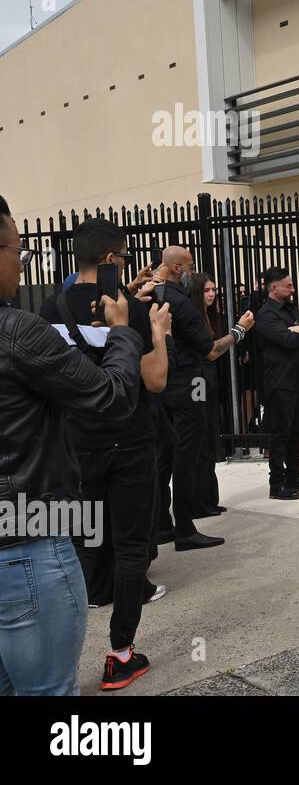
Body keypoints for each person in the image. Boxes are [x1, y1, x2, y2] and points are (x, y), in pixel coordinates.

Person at [0, 195, 144, 695]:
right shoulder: (19, 331)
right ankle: (122, 648)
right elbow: (118, 394)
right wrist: (124, 334)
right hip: (26, 541)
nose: (21, 265)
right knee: (47, 690)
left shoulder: (43, 315)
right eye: (18, 251)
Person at [37, 218, 171, 692]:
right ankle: (120, 654)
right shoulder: (131, 309)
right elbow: (155, 380)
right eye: (126, 256)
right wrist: (156, 331)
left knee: (77, 547)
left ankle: (62, 658)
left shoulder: (48, 308)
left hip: (76, 444)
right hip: (131, 439)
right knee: (132, 548)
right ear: (113, 259)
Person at [152, 246, 225, 552]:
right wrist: (240, 331)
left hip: (162, 382)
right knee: (187, 454)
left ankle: (160, 525)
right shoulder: (181, 302)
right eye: (191, 266)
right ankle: (184, 527)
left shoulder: (152, 295)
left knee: (165, 456)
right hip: (188, 382)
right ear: (179, 268)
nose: (194, 272)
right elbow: (208, 348)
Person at [255, 267, 299, 500]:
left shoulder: (292, 309)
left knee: (296, 432)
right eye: (288, 285)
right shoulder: (266, 314)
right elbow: (285, 340)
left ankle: (294, 476)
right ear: (274, 288)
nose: (293, 289)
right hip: (280, 381)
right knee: (280, 433)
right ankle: (277, 484)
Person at [189, 274, 254, 516]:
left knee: (208, 442)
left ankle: (208, 500)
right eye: (206, 290)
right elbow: (211, 351)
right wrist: (239, 330)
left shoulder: (211, 317)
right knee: (199, 441)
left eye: (213, 289)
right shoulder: (193, 318)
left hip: (210, 382)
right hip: (197, 384)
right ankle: (199, 502)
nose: (211, 293)